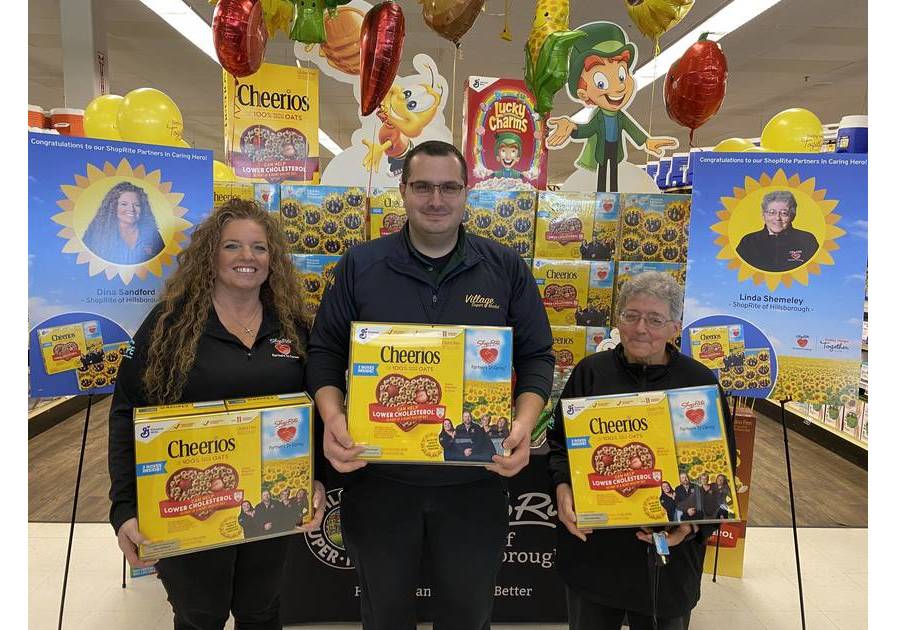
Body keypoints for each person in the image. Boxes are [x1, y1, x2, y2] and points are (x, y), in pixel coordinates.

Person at [306, 139, 555, 629]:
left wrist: (523, 424)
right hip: (379, 481)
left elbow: (537, 356)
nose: (436, 200)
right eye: (422, 187)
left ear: (466, 193)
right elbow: (325, 353)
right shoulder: (361, 265)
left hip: (474, 483)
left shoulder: (505, 267)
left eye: (448, 188)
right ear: (402, 190)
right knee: (384, 615)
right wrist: (333, 417)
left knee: (467, 615)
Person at [106, 198, 327, 630]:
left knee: (262, 611)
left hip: (271, 502)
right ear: (210, 254)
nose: (248, 257)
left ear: (273, 259)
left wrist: (316, 478)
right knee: (199, 615)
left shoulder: (293, 327)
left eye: (259, 247)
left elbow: (315, 409)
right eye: (232, 246)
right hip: (191, 502)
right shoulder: (168, 326)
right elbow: (126, 415)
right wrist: (125, 509)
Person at [547, 271, 736, 630]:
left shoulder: (698, 382)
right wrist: (562, 486)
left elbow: (720, 469)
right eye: (631, 316)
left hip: (668, 559)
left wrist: (691, 527)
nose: (640, 329)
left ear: (675, 328)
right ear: (618, 320)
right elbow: (559, 444)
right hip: (596, 552)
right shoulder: (590, 373)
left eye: (655, 319)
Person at [545, 23, 677, 192]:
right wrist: (573, 128)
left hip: (616, 149)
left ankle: (613, 194)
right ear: (583, 93)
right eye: (601, 82)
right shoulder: (598, 117)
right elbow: (588, 129)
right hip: (602, 150)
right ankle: (601, 194)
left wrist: (646, 141)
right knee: (602, 173)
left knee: (613, 172)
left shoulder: (620, 116)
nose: (619, 87)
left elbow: (631, 128)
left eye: (621, 76)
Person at [734, 190, 820, 272]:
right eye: (772, 212)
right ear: (763, 215)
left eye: (784, 213)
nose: (777, 218)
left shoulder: (807, 240)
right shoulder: (748, 242)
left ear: (793, 215)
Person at [82, 181, 167, 264]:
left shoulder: (153, 235)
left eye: (137, 205)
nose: (131, 209)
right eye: (124, 204)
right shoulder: (95, 234)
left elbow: (163, 264)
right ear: (112, 207)